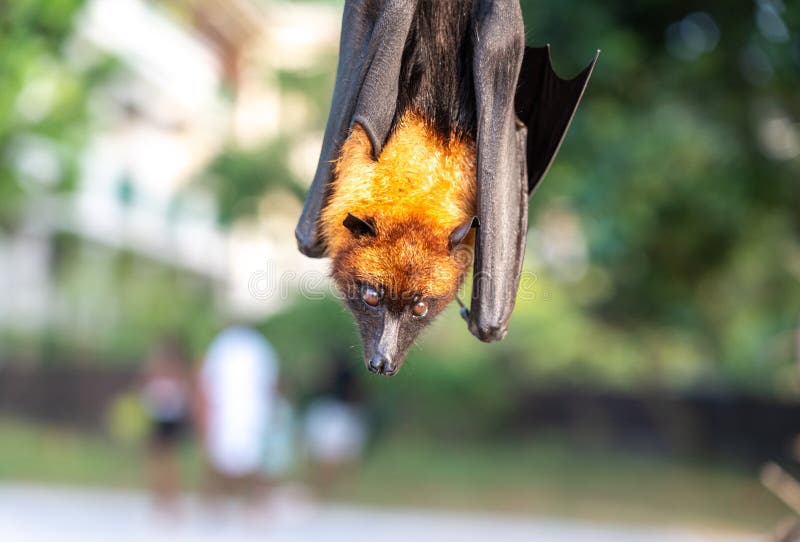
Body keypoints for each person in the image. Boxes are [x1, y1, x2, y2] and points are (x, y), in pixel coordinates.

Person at [197, 325, 279, 508]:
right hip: (229, 412)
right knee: (220, 460)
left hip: (248, 413)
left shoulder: (248, 346)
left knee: (253, 461)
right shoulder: (231, 345)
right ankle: (215, 502)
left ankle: (253, 502)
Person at [140, 335, 193, 517]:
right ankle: (160, 498)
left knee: (170, 460)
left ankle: (172, 498)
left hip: (171, 417)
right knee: (158, 459)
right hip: (158, 416)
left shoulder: (176, 368)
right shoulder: (157, 365)